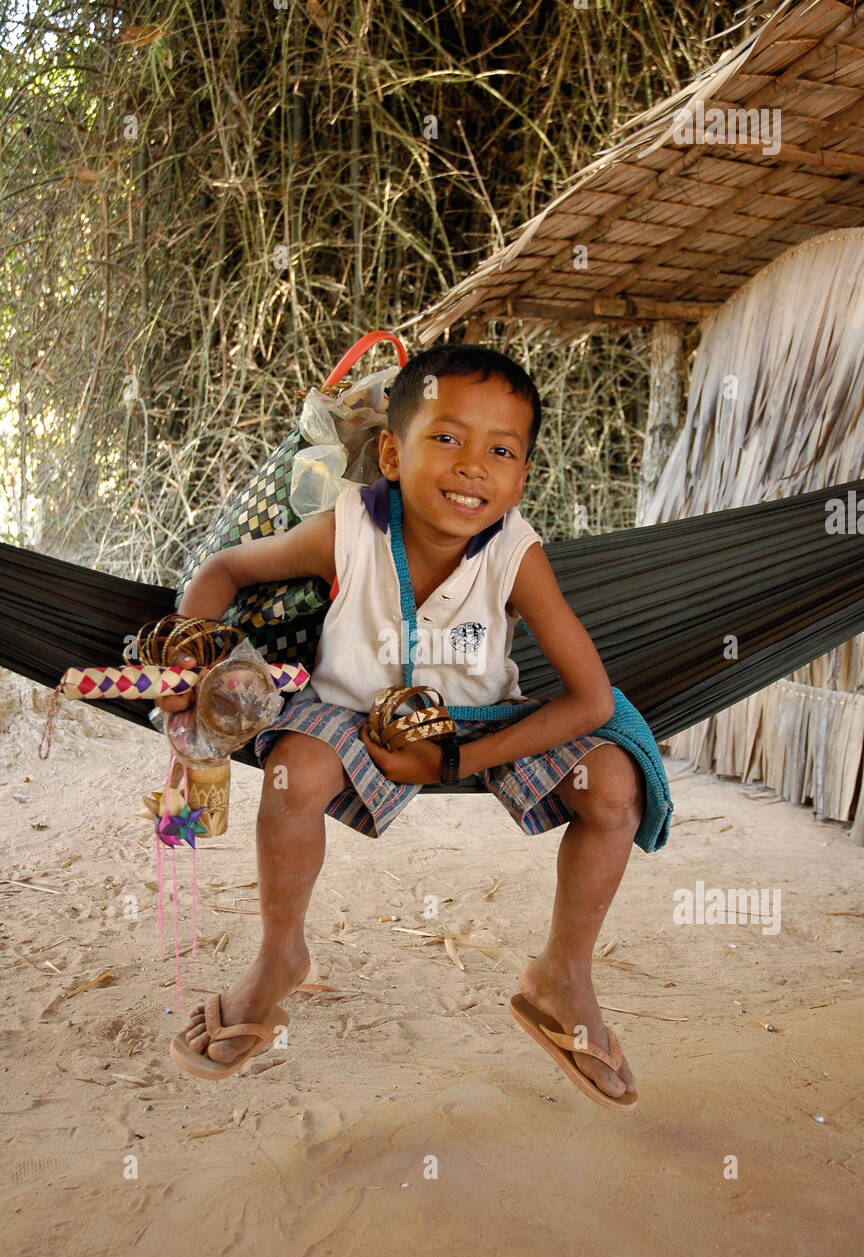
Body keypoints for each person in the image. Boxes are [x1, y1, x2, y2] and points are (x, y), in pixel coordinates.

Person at [156, 345, 672, 1109]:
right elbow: (226, 570)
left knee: (617, 785)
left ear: (521, 478)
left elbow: (592, 702)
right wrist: (189, 655)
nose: (473, 466)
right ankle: (278, 958)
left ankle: (562, 977)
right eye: (448, 438)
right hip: (348, 716)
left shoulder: (516, 555)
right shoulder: (350, 528)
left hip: (478, 720)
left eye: (501, 450)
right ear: (392, 455)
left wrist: (454, 762)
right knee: (293, 772)